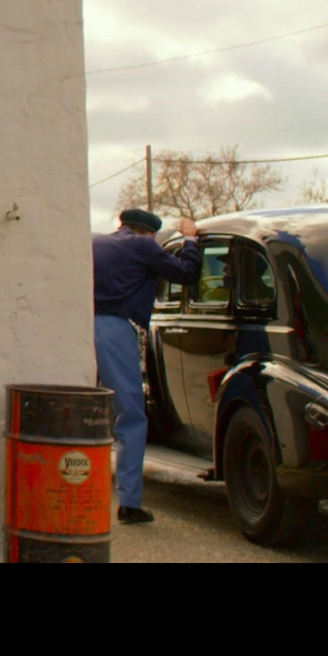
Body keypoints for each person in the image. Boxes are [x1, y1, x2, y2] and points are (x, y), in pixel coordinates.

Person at [92, 207, 201, 524]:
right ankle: (129, 503)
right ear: (150, 233)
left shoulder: (96, 244)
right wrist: (190, 240)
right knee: (131, 415)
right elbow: (186, 274)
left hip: (81, 325)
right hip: (114, 329)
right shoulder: (143, 246)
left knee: (80, 409)